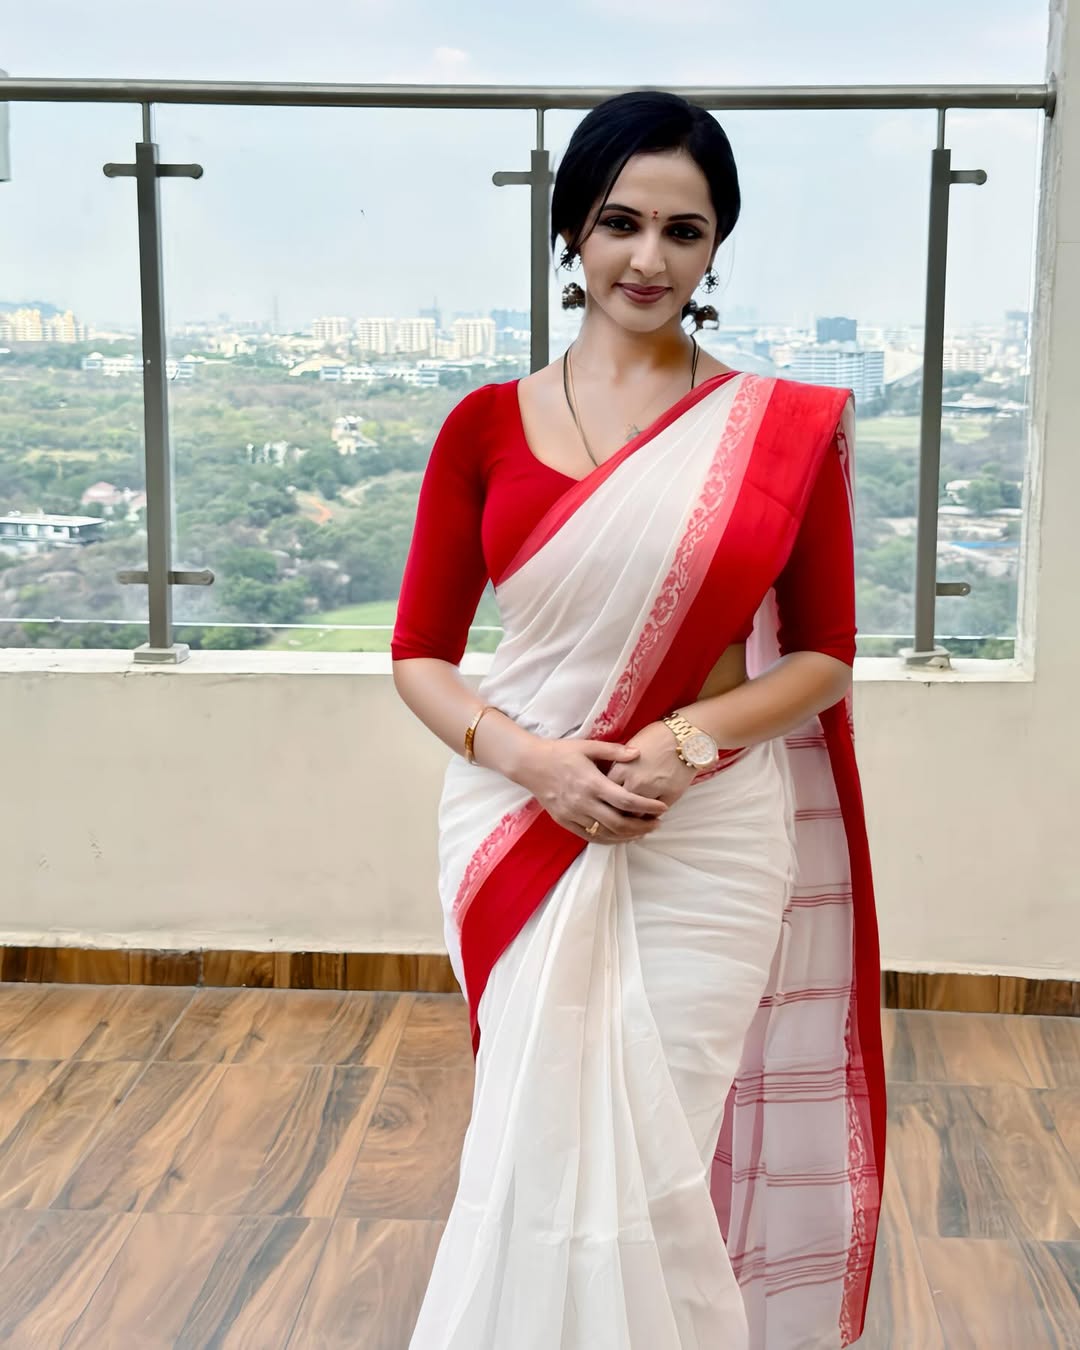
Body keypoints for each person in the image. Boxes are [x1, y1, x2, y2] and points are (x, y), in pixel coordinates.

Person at [390, 89, 885, 1350]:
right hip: (519, 820)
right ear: (573, 232)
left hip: (706, 831)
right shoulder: (484, 426)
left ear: (719, 244)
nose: (649, 259)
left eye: (685, 229)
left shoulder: (780, 431)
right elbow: (421, 658)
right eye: (619, 222)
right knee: (536, 1140)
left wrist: (683, 746)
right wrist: (537, 764)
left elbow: (826, 655)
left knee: (658, 1156)